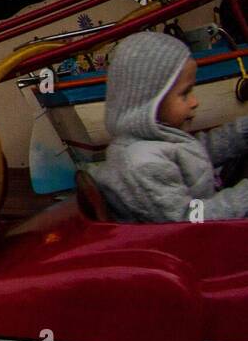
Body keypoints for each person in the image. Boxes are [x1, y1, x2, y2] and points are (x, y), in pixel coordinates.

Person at [95, 31, 248, 222]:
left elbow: (200, 152)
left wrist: (243, 131)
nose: (194, 102)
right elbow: (189, 218)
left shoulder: (158, 139)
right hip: (198, 243)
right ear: (149, 102)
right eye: (185, 94)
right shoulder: (143, 163)